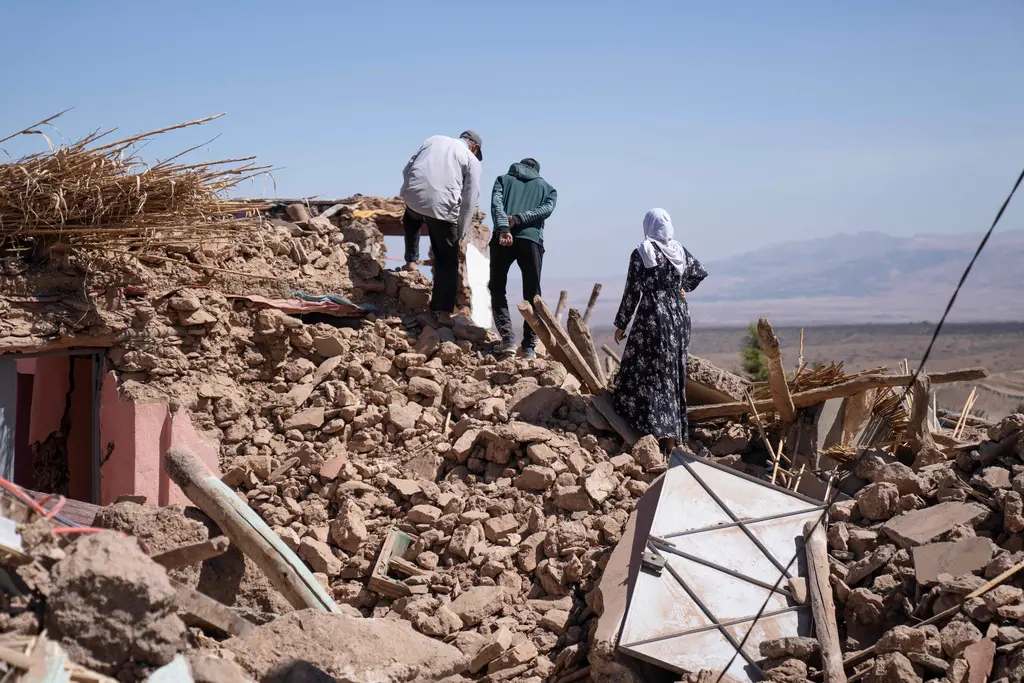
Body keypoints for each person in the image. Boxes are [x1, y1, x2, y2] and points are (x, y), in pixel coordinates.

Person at [612, 208, 707, 451]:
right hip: (679, 317)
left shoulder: (643, 252)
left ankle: (652, 430)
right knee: (673, 371)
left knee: (649, 369)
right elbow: (698, 273)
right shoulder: (679, 250)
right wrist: (680, 287)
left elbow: (632, 290)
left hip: (654, 316)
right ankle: (672, 435)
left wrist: (622, 323)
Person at [399, 130, 483, 324]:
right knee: (447, 260)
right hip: (442, 208)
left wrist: (407, 190)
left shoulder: (433, 139)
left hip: (413, 197)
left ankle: (411, 261)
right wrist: (460, 231)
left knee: (411, 219)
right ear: (475, 147)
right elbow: (470, 198)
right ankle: (442, 311)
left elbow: (408, 167)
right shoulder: (472, 160)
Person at [488, 158, 557, 358]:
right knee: (532, 294)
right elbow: (545, 210)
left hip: (502, 239)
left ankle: (508, 340)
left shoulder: (502, 180)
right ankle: (528, 347)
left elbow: (496, 206)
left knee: (497, 287)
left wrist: (504, 227)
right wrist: (520, 219)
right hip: (531, 241)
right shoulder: (548, 189)